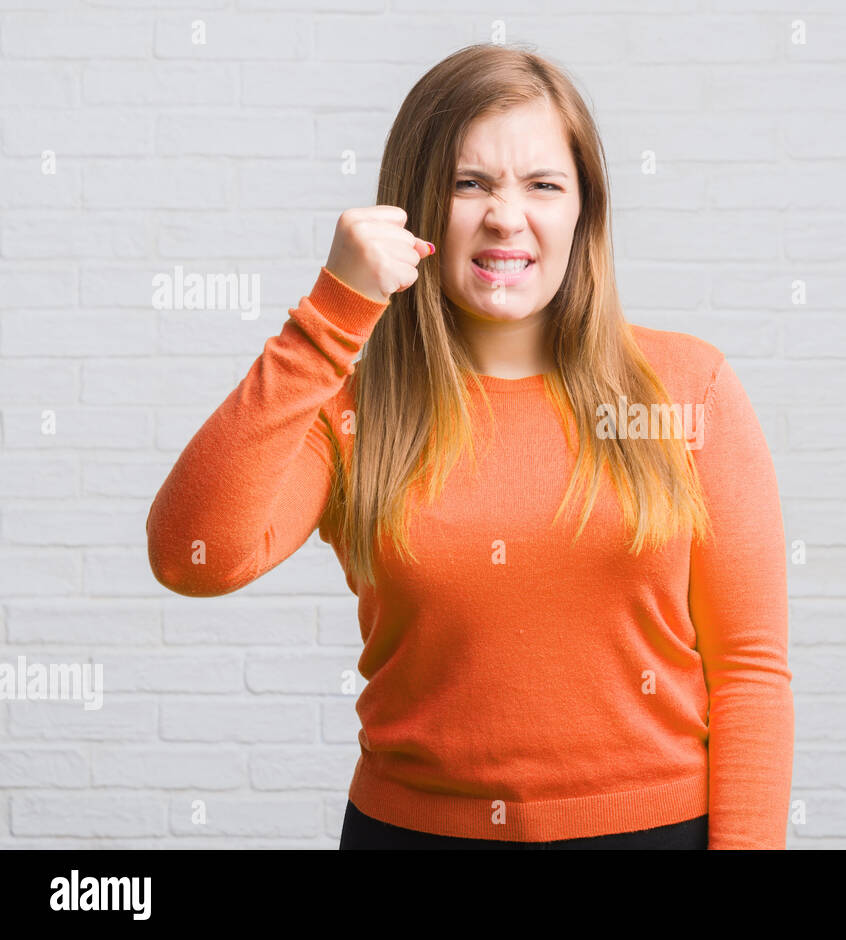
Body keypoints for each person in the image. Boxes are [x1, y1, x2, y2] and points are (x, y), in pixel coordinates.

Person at [146, 43, 793, 850]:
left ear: (583, 211)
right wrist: (330, 315)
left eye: (544, 185)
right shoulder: (355, 404)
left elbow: (751, 676)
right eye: (469, 183)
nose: (505, 216)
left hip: (655, 833)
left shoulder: (685, 388)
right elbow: (192, 557)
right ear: (413, 210)